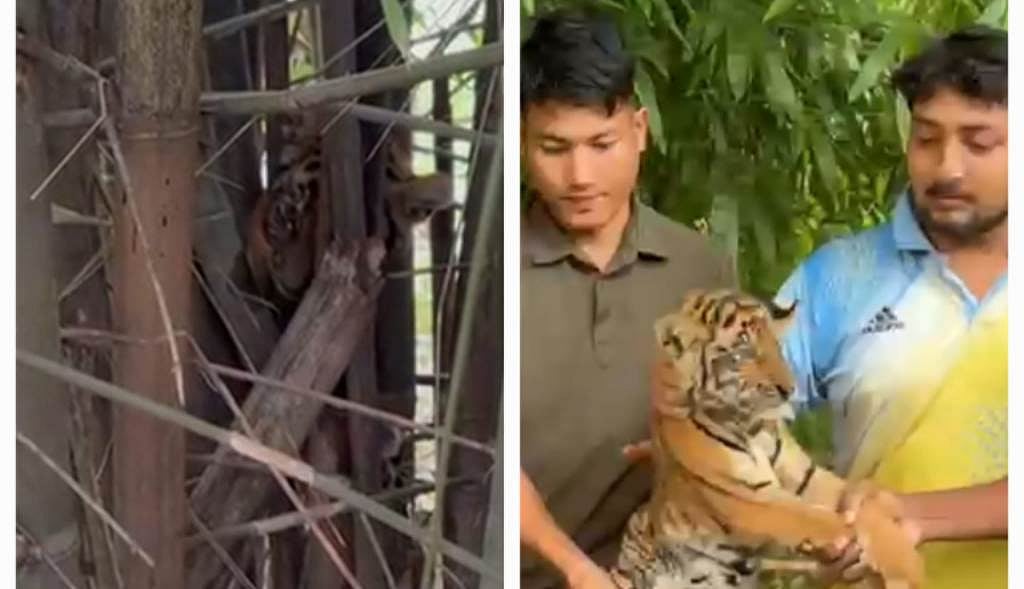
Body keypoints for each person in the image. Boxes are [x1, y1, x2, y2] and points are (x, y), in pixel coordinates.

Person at [650, 24, 1008, 588]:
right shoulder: (837, 278)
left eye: (980, 142)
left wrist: (912, 517)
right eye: (927, 138)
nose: (948, 168)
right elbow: (728, 409)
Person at [519, 9, 735, 589]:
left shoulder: (702, 267)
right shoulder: (493, 275)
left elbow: (731, 439)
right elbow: (482, 460)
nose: (580, 174)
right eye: (554, 147)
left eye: (602, 143)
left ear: (639, 131)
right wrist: (575, 571)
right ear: (521, 142)